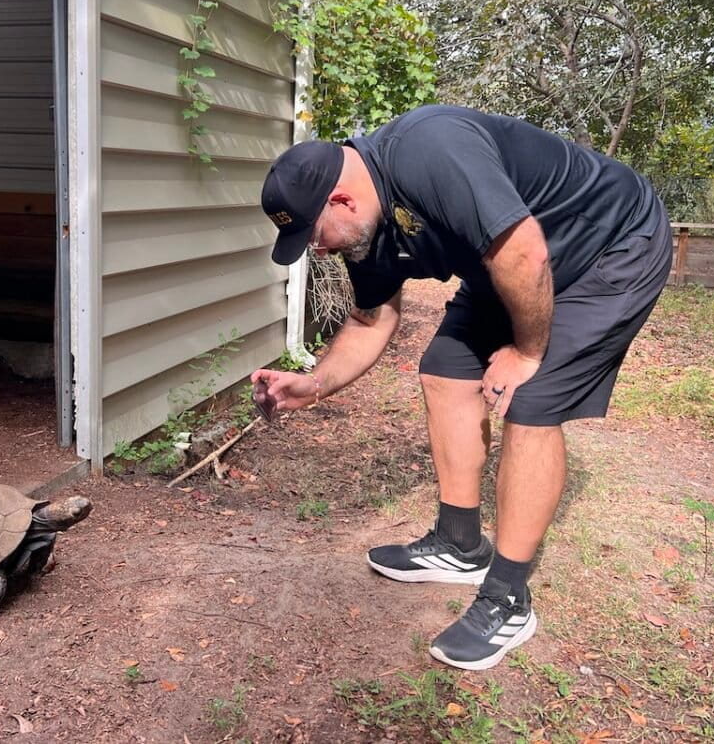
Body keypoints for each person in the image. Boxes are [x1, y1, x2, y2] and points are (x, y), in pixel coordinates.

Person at [251, 105, 672, 671]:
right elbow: (370, 319)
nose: (318, 249)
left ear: (342, 201)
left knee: (532, 400)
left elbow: (526, 251)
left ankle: (507, 599)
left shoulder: (430, 149)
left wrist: (526, 354)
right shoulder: (365, 228)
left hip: (611, 248)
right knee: (445, 370)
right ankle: (459, 543)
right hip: (508, 263)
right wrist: (316, 383)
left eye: (314, 234)